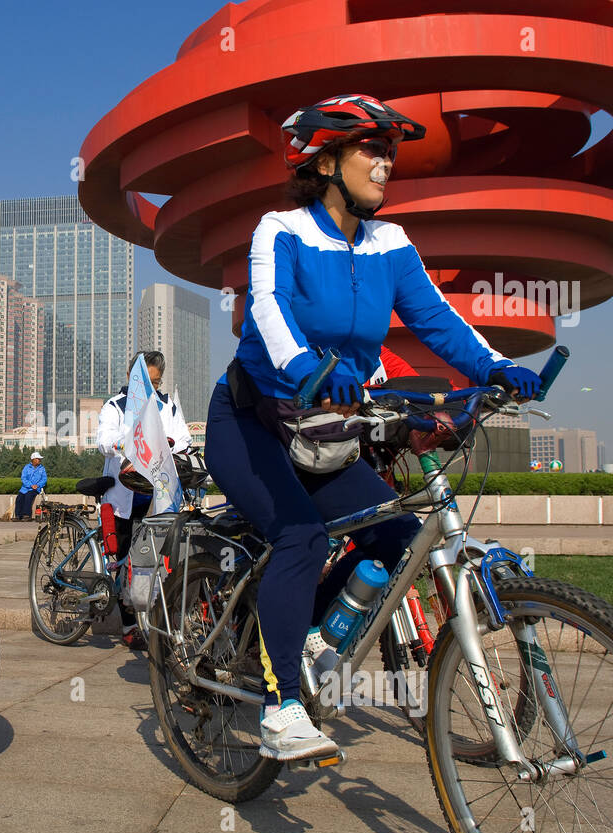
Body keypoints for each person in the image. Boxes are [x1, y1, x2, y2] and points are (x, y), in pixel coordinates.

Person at [204, 94, 544, 760]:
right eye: (372, 149)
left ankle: (306, 630)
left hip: (328, 431)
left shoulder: (391, 244)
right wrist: (303, 364)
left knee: (397, 537)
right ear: (326, 159)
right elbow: (267, 311)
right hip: (253, 421)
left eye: (390, 150)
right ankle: (282, 708)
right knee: (300, 535)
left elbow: (438, 320)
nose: (387, 162)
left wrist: (498, 367)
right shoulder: (281, 229)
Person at [95, 350, 192, 649]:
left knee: (156, 560)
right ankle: (128, 627)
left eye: (157, 381)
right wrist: (128, 443)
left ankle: (162, 621)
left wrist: (171, 446)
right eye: (147, 382)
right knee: (124, 558)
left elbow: (184, 439)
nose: (153, 388)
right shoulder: (116, 406)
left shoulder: (167, 407)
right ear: (132, 378)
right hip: (123, 494)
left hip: (157, 494)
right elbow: (103, 441)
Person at [15, 451, 47, 520]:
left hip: (35, 489)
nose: (40, 460)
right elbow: (23, 478)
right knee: (19, 499)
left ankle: (27, 515)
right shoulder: (26, 467)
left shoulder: (42, 468)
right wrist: (30, 485)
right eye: (38, 459)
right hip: (25, 488)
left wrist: (37, 485)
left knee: (28, 497)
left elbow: (44, 479)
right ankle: (18, 515)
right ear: (33, 460)